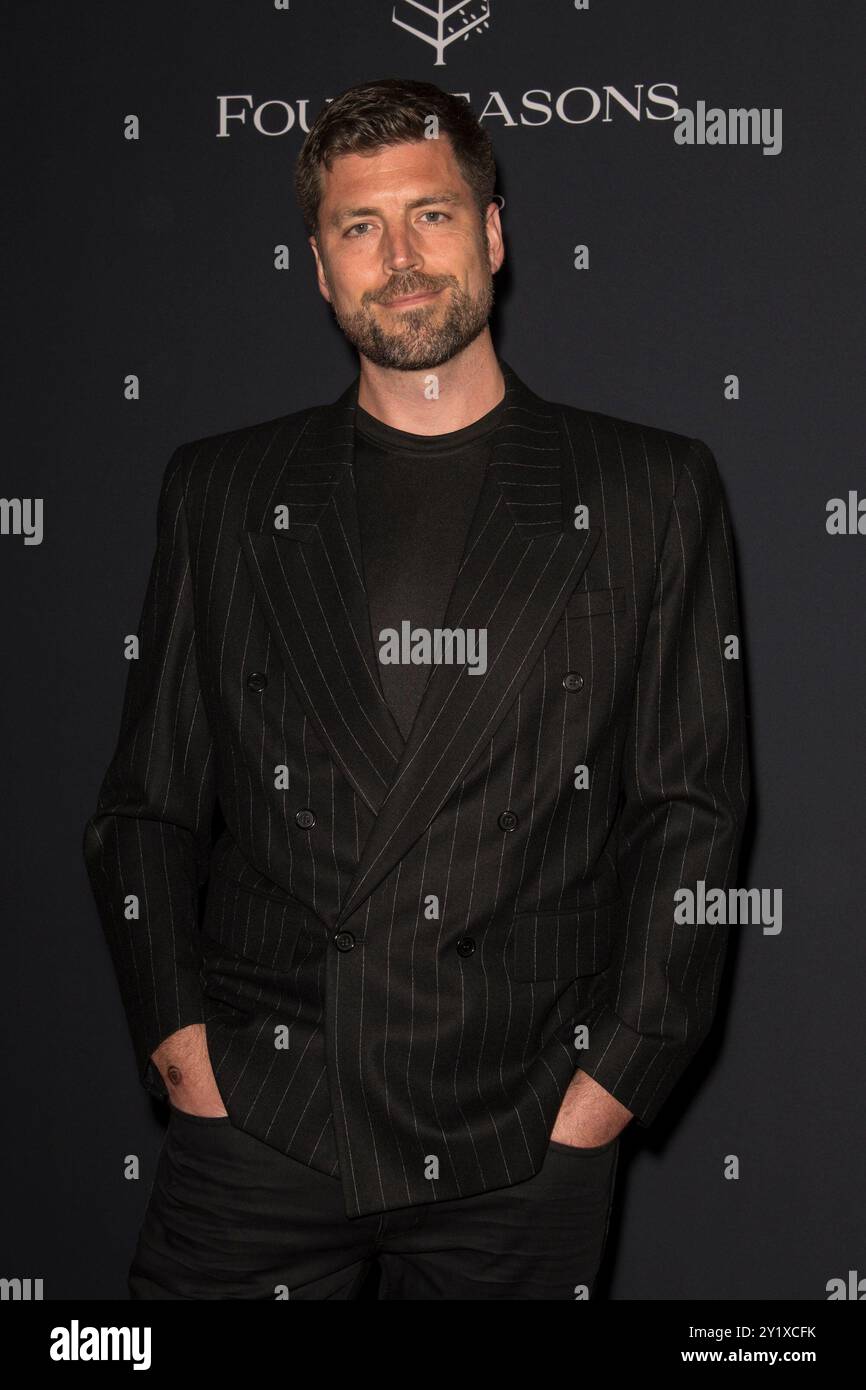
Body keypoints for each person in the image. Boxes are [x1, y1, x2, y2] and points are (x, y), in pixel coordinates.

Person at [82, 76, 750, 1300]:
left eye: (431, 217)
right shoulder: (224, 492)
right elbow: (145, 804)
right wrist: (182, 1047)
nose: (399, 258)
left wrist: (612, 1083)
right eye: (358, 227)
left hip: (517, 1129)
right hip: (267, 1114)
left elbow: (688, 813)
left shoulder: (649, 488)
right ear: (319, 268)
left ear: (490, 235)